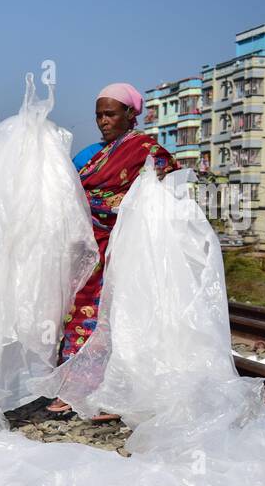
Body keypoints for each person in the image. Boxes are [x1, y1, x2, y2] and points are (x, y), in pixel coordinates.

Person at [47, 82, 178, 418]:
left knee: (117, 317)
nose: (103, 121)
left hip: (123, 249)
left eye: (110, 114)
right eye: (99, 115)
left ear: (130, 114)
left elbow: (166, 195)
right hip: (86, 249)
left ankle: (111, 393)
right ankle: (76, 388)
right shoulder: (90, 155)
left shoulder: (146, 150)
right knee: (76, 314)